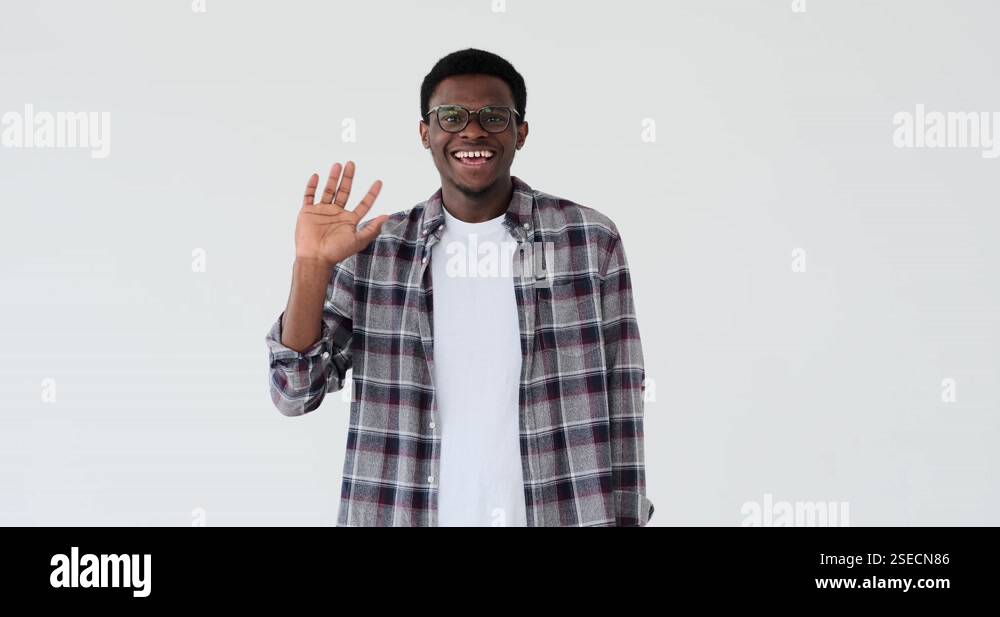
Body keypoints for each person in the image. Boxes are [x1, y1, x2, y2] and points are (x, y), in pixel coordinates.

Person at [265, 48, 653, 526]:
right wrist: (311, 264)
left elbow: (624, 397)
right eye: (452, 116)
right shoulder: (376, 252)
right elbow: (294, 391)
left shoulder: (588, 241)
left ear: (521, 133)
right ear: (426, 133)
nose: (473, 131)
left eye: (493, 116)